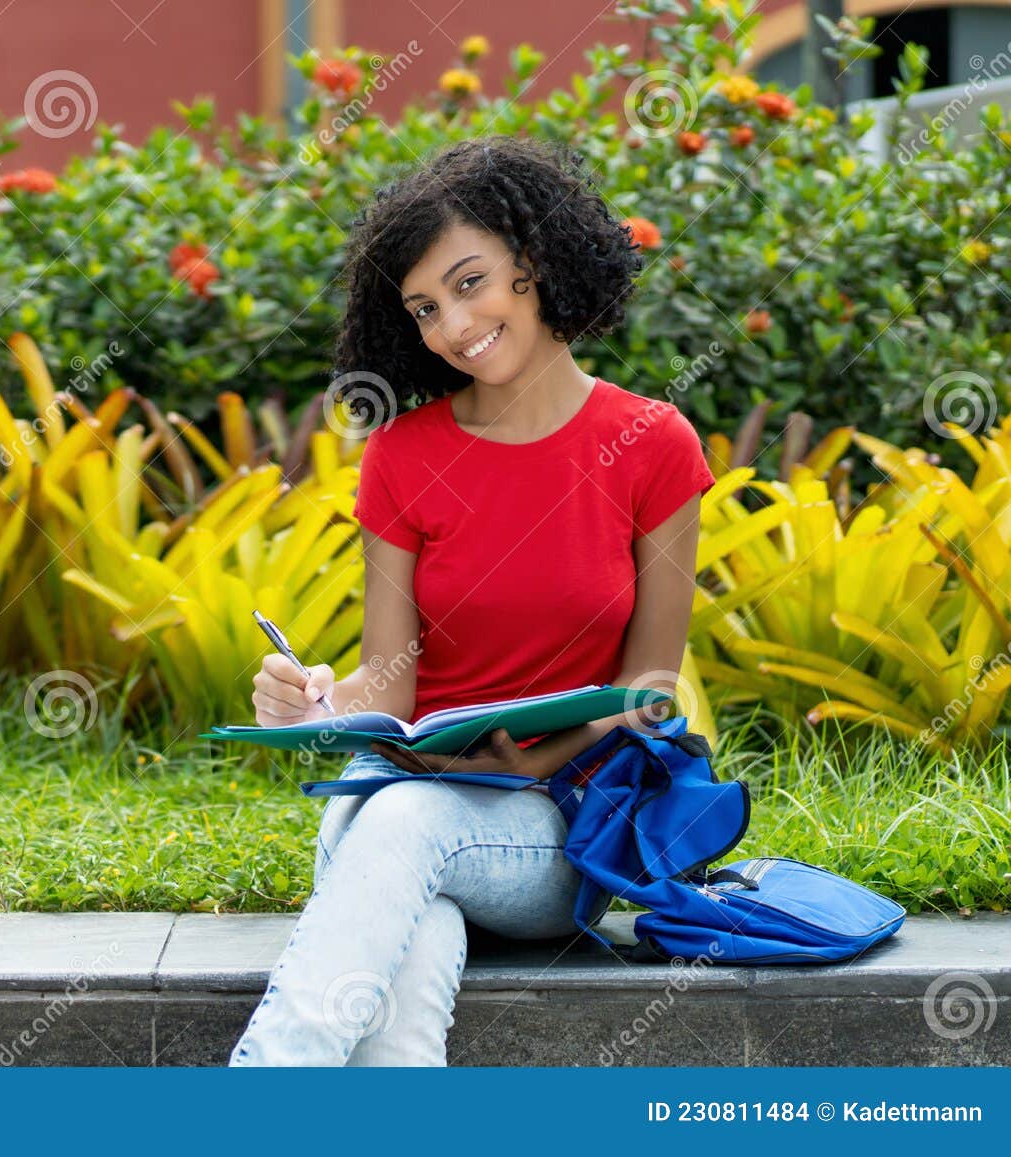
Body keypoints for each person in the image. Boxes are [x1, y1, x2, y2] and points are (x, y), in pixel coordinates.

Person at [227, 135, 715, 1066]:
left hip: (558, 822)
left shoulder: (653, 443)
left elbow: (650, 692)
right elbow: (388, 686)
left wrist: (533, 762)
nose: (452, 326)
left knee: (396, 821)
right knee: (410, 937)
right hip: (408, 808)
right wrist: (313, 701)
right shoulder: (402, 454)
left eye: (468, 283)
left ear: (534, 262)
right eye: (424, 308)